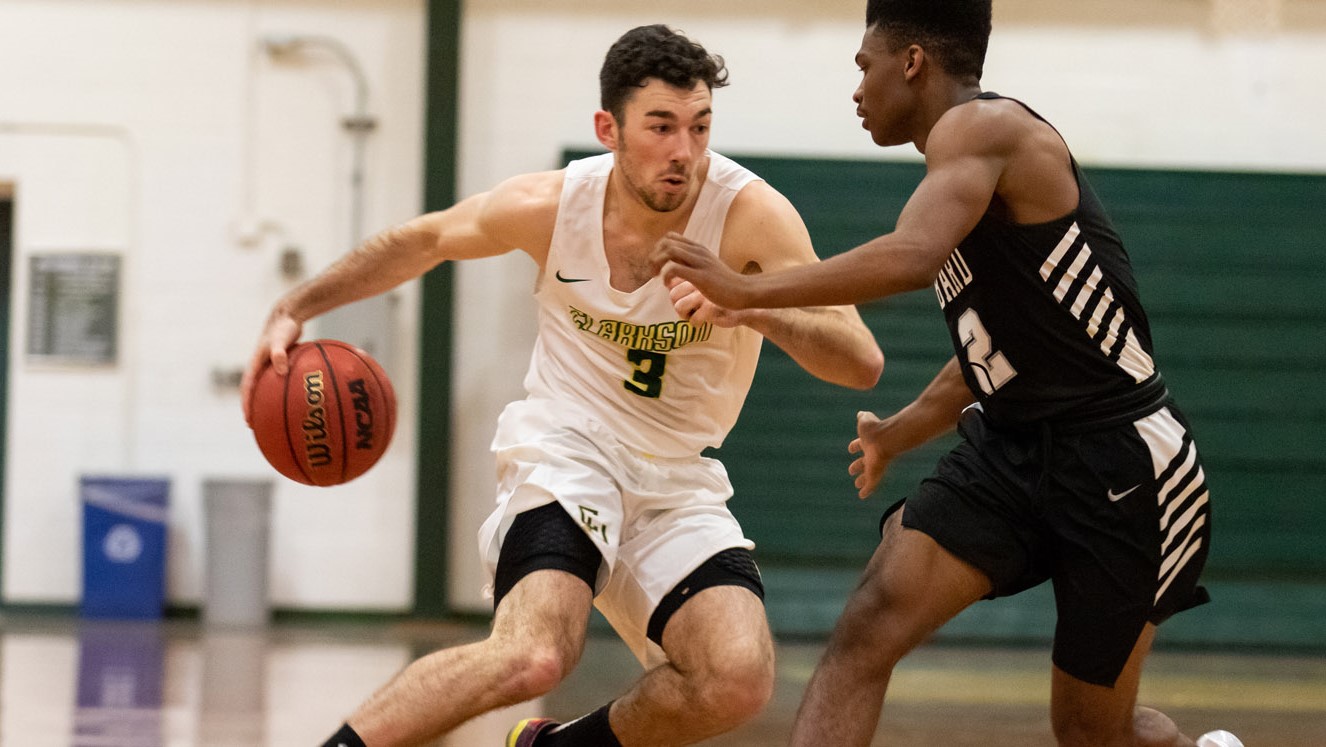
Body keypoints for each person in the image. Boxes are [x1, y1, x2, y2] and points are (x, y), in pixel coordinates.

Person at [240, 23, 882, 747]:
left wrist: (749, 305)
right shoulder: (550, 206)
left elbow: (860, 360)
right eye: (661, 127)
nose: (684, 151)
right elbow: (424, 241)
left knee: (735, 679)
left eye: (700, 126)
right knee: (533, 654)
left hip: (676, 477)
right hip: (567, 450)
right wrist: (296, 305)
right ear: (609, 129)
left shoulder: (750, 216)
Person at [652, 2, 1243, 746]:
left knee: (1093, 732)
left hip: (1122, 460)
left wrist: (744, 290)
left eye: (864, 65)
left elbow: (912, 256)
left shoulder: (983, 128)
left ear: (912, 62)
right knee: (867, 627)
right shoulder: (962, 169)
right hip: (1012, 451)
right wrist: (898, 433)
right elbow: (994, 348)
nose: (856, 88)